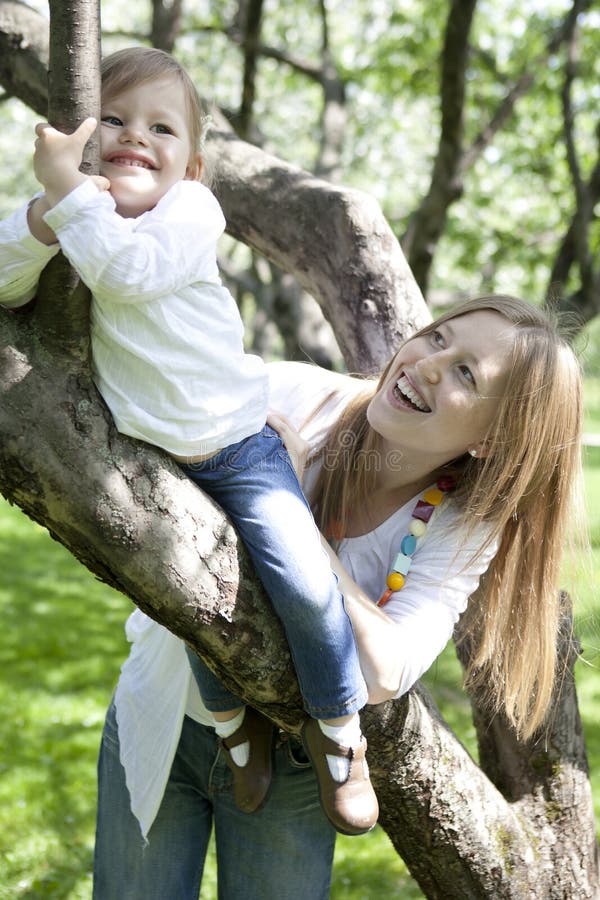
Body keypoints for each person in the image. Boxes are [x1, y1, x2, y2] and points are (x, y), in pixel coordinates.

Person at [0, 55, 582, 900]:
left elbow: (385, 669)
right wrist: (56, 211)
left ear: (496, 441)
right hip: (163, 709)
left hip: (303, 757)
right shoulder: (286, 398)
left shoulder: (459, 525)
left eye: (466, 379)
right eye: (438, 340)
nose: (424, 366)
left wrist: (291, 532)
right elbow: (163, 374)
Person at [0, 46, 380, 837]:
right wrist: (44, 213)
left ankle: (341, 735)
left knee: (304, 581)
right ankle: (235, 730)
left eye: (160, 127)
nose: (135, 136)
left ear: (193, 165)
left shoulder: (190, 213)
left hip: (239, 447)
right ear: (78, 135)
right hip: (152, 460)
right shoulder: (81, 217)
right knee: (192, 602)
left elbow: (127, 274)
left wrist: (69, 195)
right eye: (113, 118)